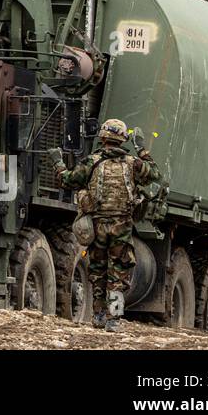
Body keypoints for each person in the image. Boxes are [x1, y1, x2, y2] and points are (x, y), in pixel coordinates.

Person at [49, 119, 162, 330]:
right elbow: (155, 175)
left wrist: (58, 163)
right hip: (122, 226)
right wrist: (142, 149)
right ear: (122, 140)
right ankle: (114, 319)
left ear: (102, 138)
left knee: (97, 271)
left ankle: (98, 315)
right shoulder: (132, 163)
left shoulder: (91, 161)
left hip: (97, 225)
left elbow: (68, 181)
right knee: (119, 274)